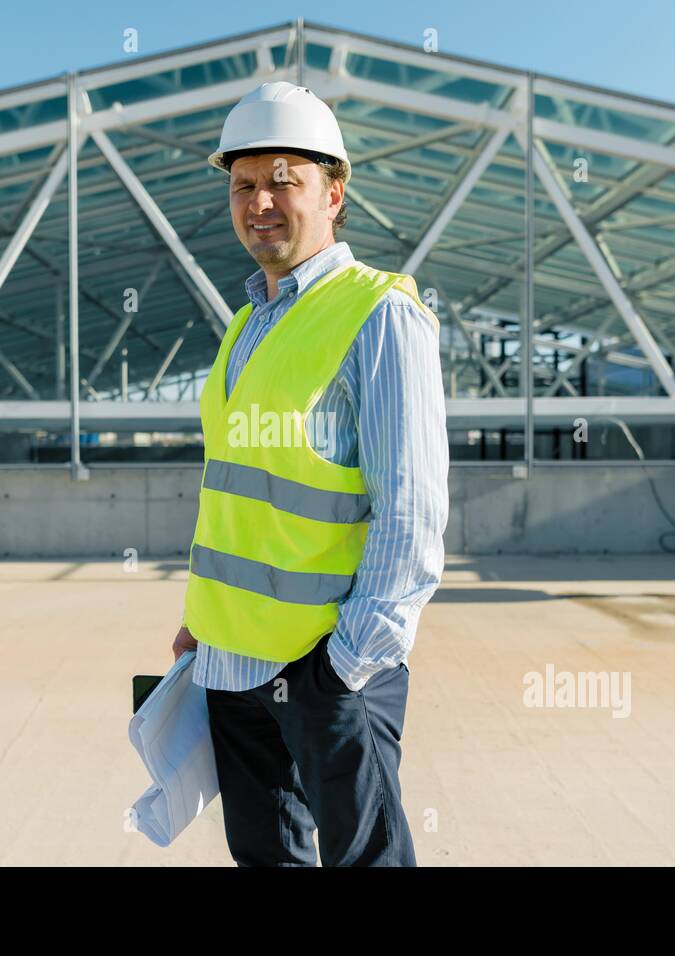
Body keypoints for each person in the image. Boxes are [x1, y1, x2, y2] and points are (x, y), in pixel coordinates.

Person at [171, 81, 449, 866]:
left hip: (327, 668)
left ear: (334, 191)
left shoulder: (380, 315)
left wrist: (348, 664)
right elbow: (235, 488)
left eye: (283, 180)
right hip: (230, 665)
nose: (260, 200)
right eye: (244, 184)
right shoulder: (246, 325)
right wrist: (203, 619)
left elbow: (413, 511)